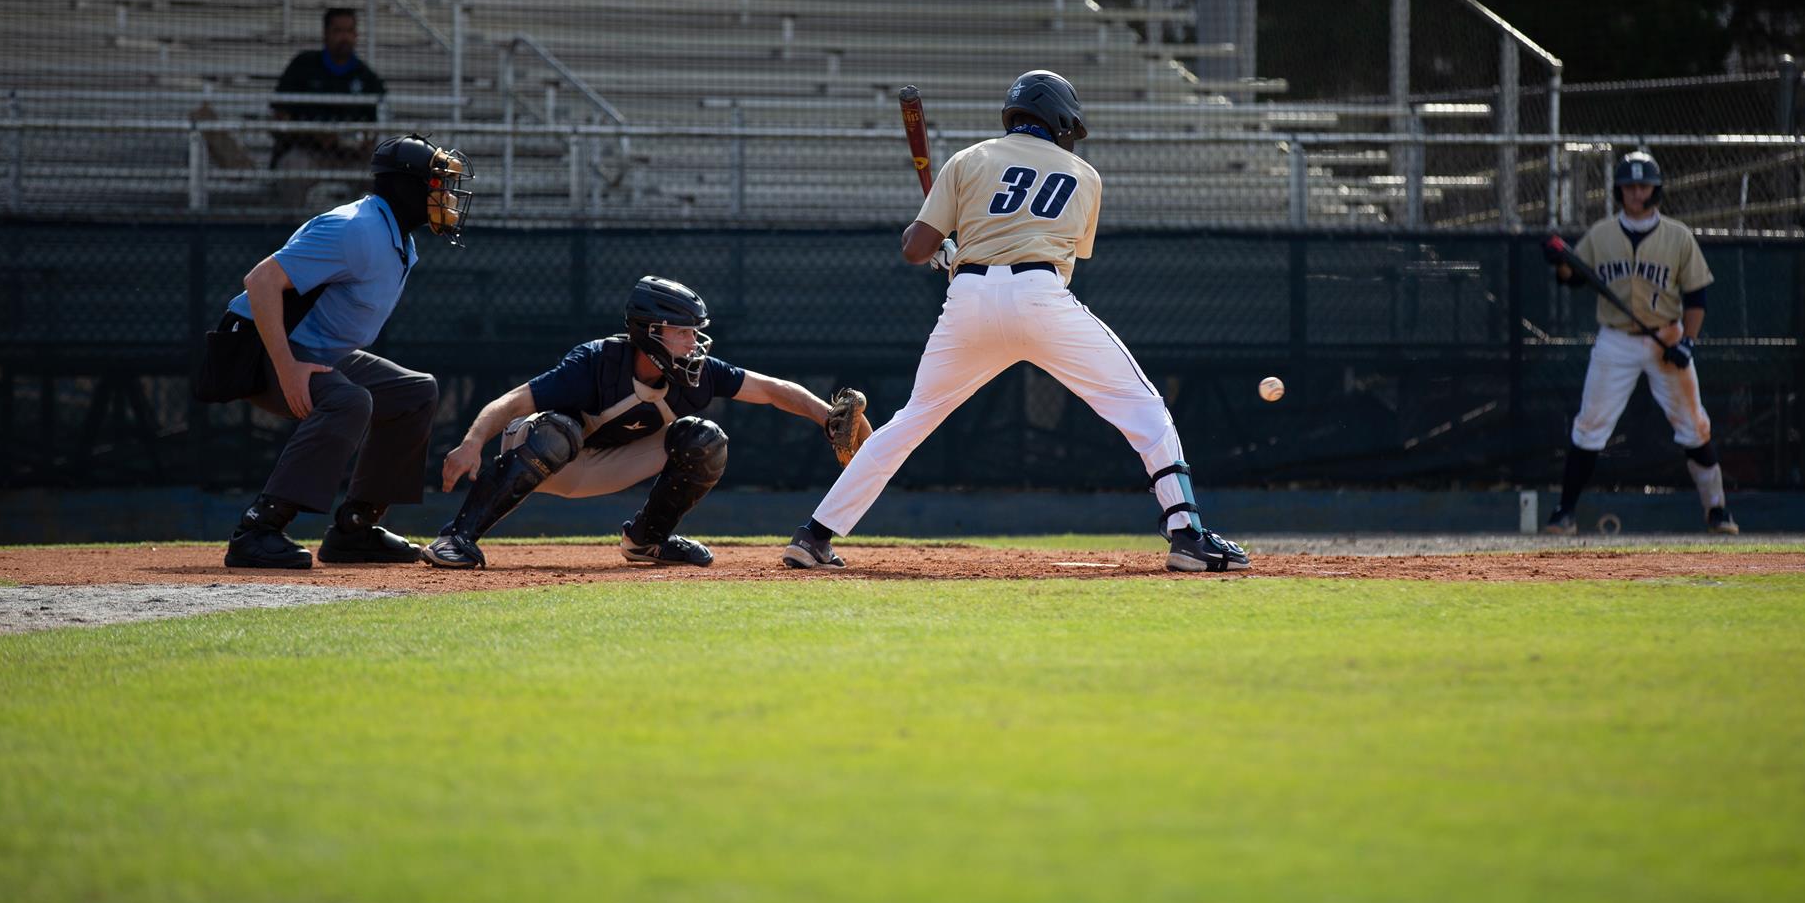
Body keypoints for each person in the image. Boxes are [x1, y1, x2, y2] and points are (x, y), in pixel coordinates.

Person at [781, 70, 1249, 574]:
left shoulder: (968, 158)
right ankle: (1187, 535)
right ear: (1060, 119)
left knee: (910, 422)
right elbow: (1063, 249)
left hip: (967, 302)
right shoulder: (1085, 176)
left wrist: (947, 250)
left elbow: (914, 248)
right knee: (1144, 407)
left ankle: (813, 535)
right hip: (1040, 296)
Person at [421, 276, 848, 570]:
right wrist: (472, 442)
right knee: (559, 432)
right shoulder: (595, 361)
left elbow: (772, 389)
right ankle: (455, 538)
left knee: (705, 440)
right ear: (650, 332)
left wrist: (825, 417)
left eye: (695, 333)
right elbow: (513, 401)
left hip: (608, 464)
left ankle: (646, 541)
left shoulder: (699, 371)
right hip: (550, 454)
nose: (693, 343)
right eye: (683, 333)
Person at [210, 134, 472, 569]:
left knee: (414, 392)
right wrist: (288, 367)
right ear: (406, 187)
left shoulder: (396, 236)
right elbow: (260, 282)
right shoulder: (356, 227)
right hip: (254, 347)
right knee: (349, 400)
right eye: (435, 184)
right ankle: (259, 528)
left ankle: (355, 529)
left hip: (314, 349)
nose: (444, 195)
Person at [1542, 150, 1739, 534]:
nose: (1636, 193)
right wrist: (1559, 258)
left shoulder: (1677, 235)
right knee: (1590, 424)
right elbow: (1572, 277)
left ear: (1656, 189)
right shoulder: (1602, 234)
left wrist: (1689, 342)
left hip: (1666, 335)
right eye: (1629, 186)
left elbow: (1697, 296)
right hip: (1616, 339)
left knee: (1694, 425)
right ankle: (1564, 512)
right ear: (1619, 190)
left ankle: (1717, 511)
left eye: (1643, 185)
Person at [272, 8, 386, 196]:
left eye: (349, 31)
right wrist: (314, 136)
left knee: (380, 175)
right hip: (307, 153)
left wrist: (358, 143)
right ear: (325, 33)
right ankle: (289, 224)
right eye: (338, 31)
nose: (344, 37)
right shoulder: (303, 66)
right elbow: (279, 117)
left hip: (351, 158)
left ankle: (367, 224)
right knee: (292, 168)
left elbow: (375, 128)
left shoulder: (367, 78)